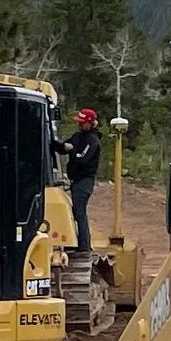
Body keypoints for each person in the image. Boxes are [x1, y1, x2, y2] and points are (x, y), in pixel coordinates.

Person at [63, 108, 102, 253]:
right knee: (76, 212)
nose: (79, 125)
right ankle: (80, 243)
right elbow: (64, 147)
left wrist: (71, 150)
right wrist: (59, 146)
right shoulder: (78, 136)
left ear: (90, 123)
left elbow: (83, 158)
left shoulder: (93, 140)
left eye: (82, 122)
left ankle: (84, 246)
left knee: (80, 213)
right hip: (77, 181)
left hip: (84, 181)